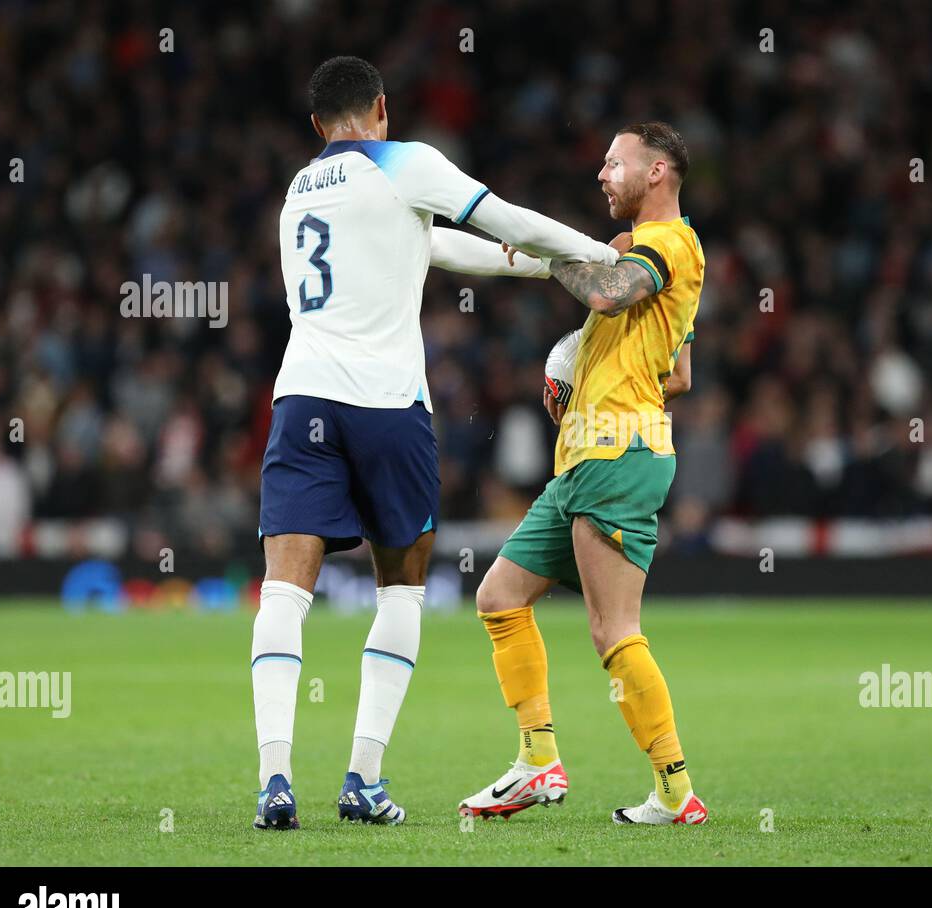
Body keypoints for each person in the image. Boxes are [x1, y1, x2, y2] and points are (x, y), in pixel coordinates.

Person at [251, 55, 620, 830]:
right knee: (402, 587)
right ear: (382, 110)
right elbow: (504, 220)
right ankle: (363, 778)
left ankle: (274, 782)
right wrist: (600, 255)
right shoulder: (407, 163)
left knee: (284, 590)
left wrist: (549, 266)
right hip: (388, 406)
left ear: (318, 127)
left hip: (302, 398)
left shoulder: (296, 194)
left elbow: (437, 249)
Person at [460, 122, 709, 825]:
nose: (601, 174)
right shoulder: (641, 250)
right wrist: (585, 381)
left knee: (613, 630)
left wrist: (544, 250)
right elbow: (680, 374)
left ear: (657, 171)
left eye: (614, 163)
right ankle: (538, 761)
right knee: (500, 597)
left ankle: (674, 791)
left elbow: (607, 294)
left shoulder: (671, 242)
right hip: (588, 455)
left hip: (618, 456)